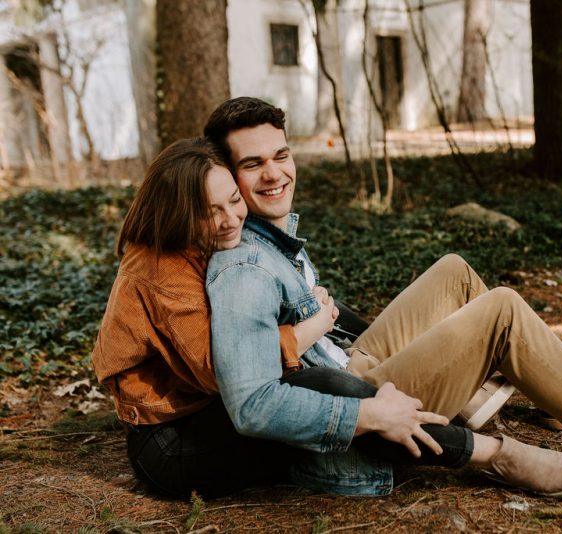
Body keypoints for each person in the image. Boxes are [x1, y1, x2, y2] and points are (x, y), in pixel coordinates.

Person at [203, 97, 562, 498]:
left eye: (281, 154)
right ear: (225, 175)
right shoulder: (244, 265)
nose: (276, 173)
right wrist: (360, 404)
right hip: (358, 401)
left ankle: (559, 394)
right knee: (503, 309)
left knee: (455, 271)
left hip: (348, 361)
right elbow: (254, 403)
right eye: (253, 165)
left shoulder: (267, 237)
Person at [92, 138, 367, 497]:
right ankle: (438, 431)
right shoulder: (161, 268)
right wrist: (309, 329)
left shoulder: (196, 238)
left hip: (212, 407)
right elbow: (223, 369)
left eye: (234, 200)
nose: (231, 219)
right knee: (329, 392)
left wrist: (305, 303)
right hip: (172, 443)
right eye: (210, 211)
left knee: (335, 316)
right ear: (180, 210)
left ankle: (391, 378)